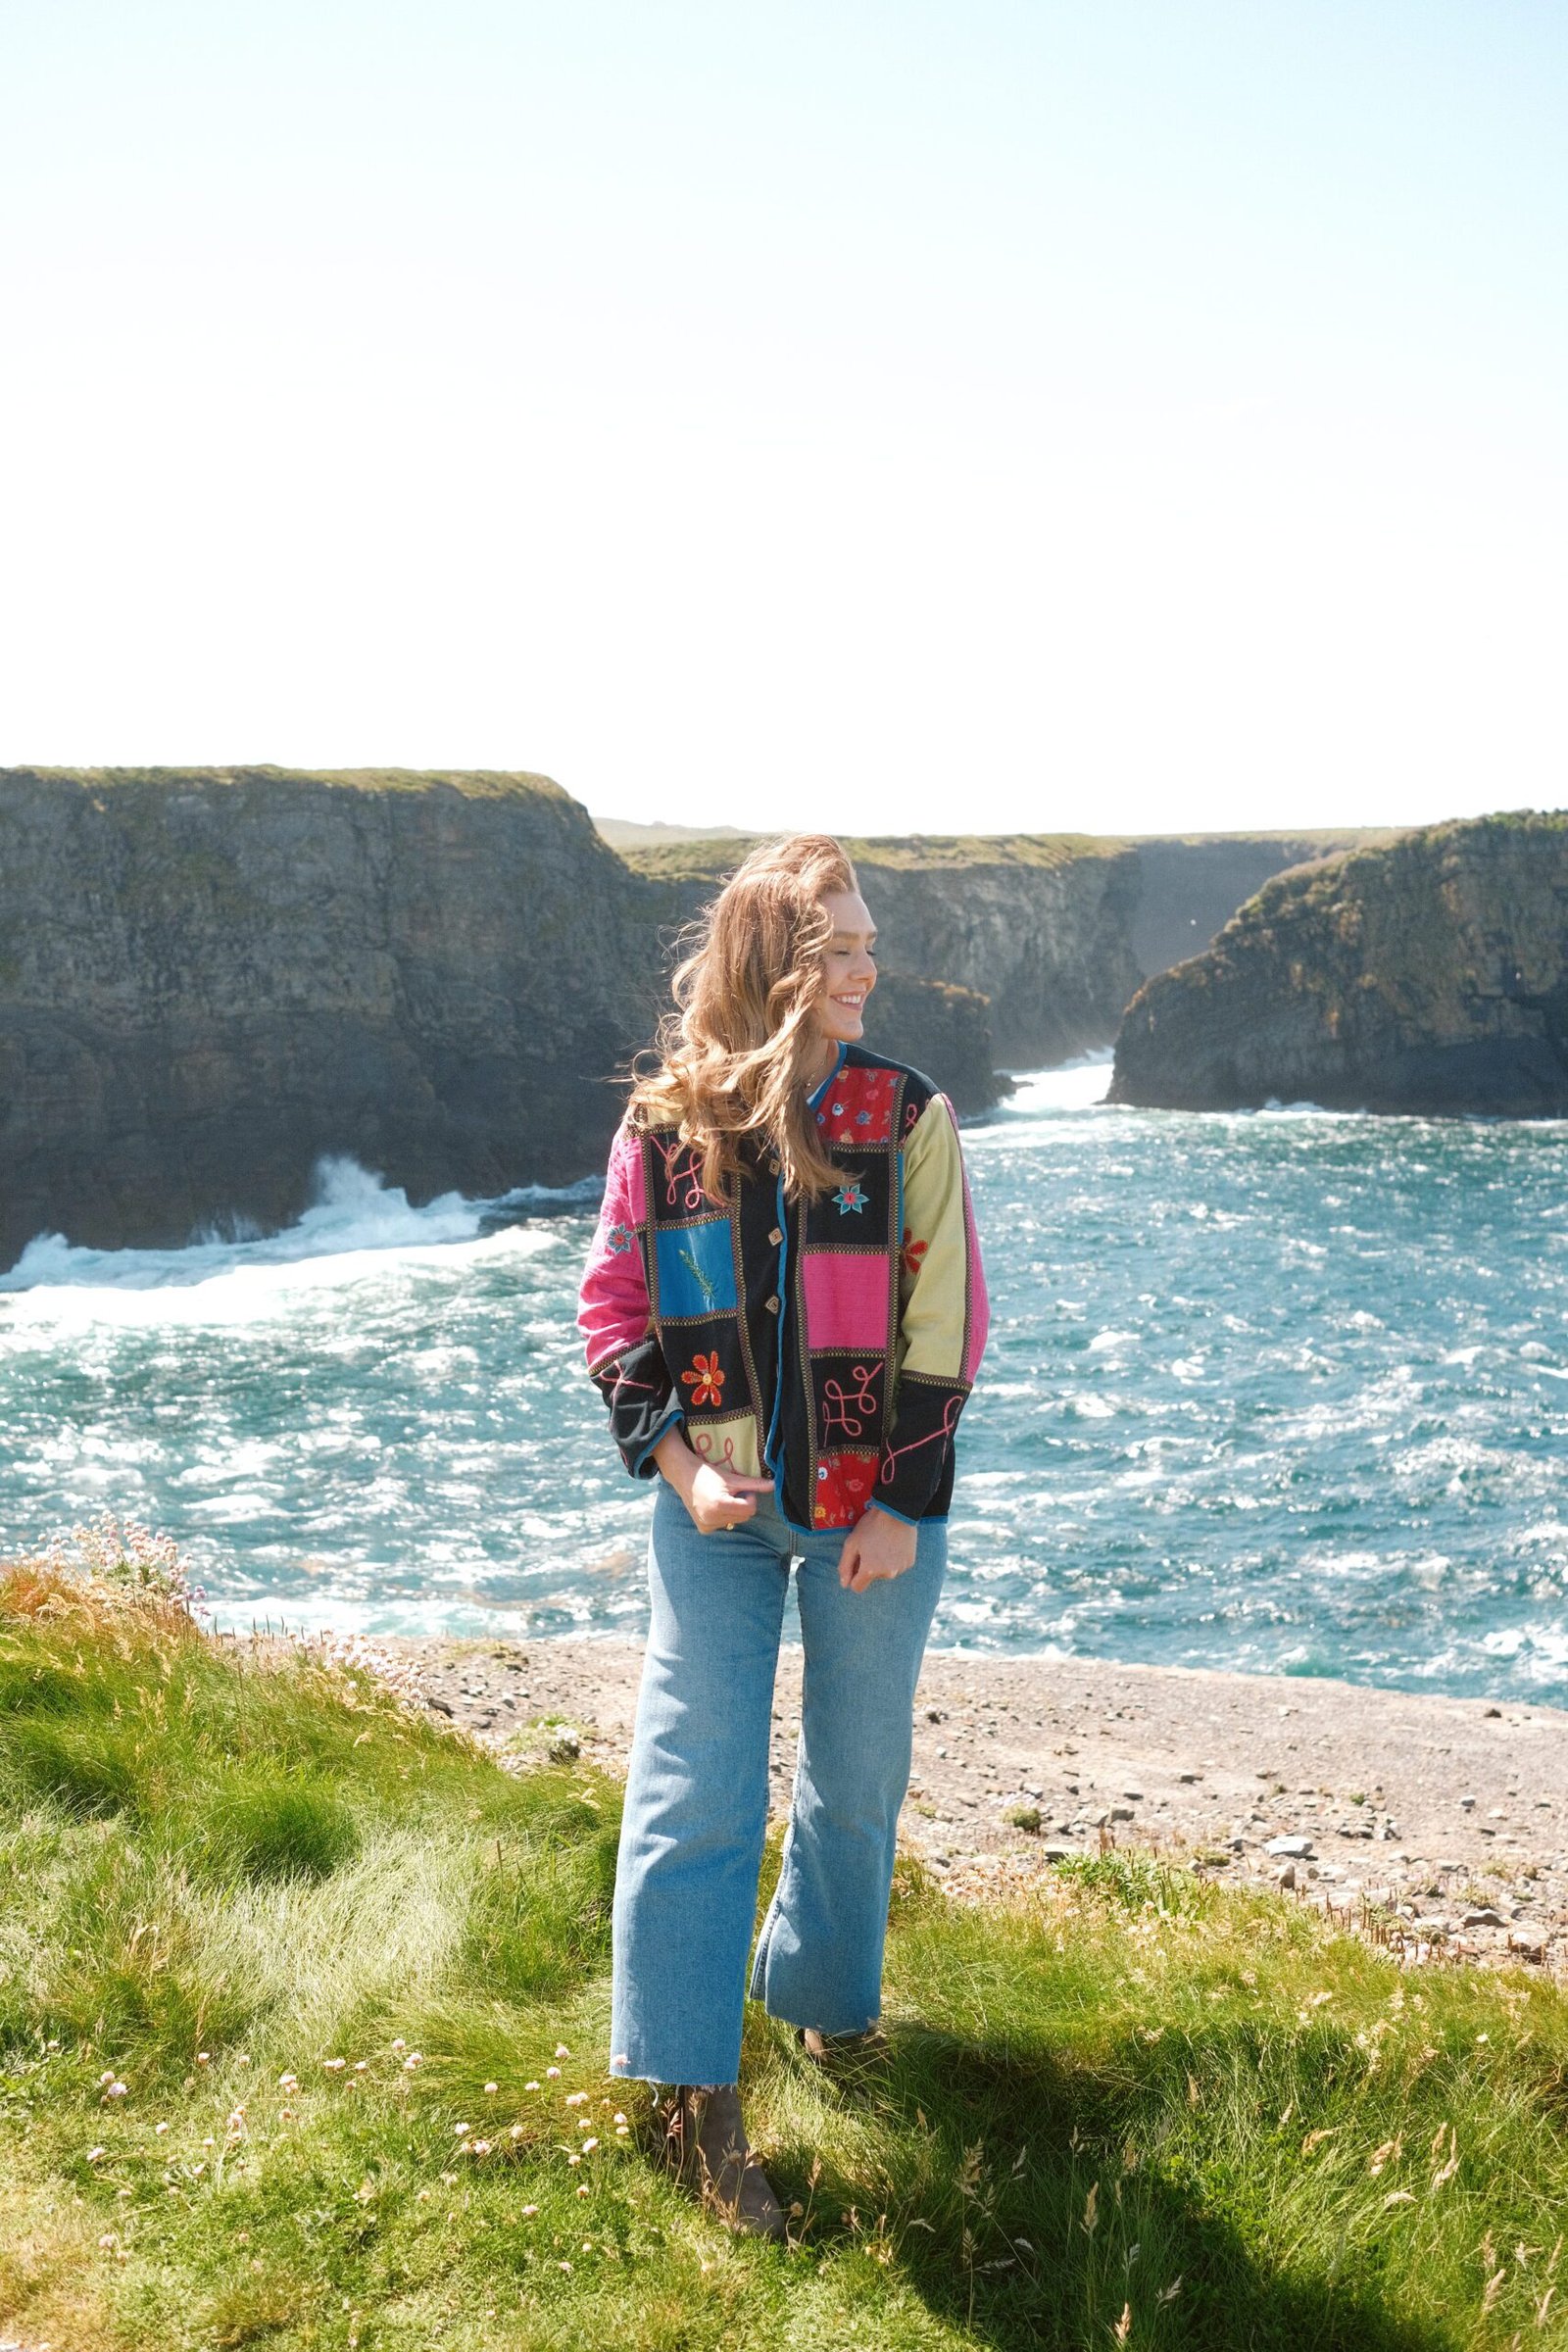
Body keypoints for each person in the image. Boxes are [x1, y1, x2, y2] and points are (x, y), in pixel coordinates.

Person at [575, 833, 989, 2238]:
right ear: (775, 964)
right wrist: (682, 1468)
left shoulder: (907, 1113)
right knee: (695, 1787)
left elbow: (949, 1326)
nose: (870, 969)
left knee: (857, 1776)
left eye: (871, 946)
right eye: (842, 949)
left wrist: (897, 1504)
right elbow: (614, 1314)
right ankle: (693, 2097)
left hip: (867, 1516)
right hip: (718, 1515)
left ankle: (822, 2008)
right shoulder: (664, 1126)